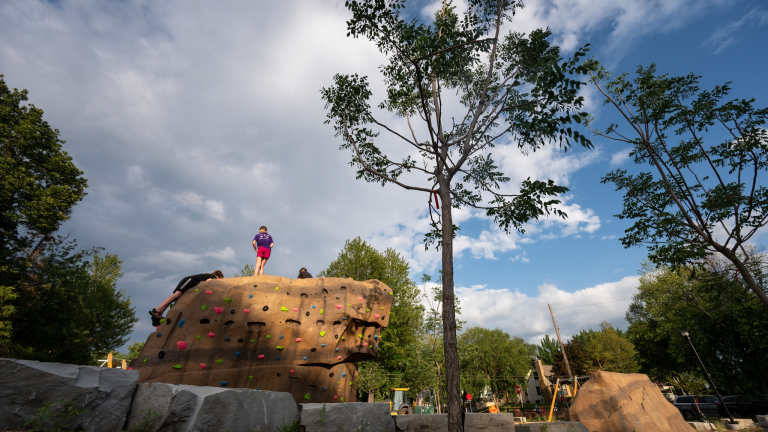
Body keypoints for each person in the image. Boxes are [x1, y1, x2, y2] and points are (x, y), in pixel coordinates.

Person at [149, 270, 223, 326]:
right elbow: (208, 282)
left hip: (189, 284)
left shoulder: (209, 276)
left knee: (176, 298)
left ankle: (159, 314)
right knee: (177, 294)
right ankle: (157, 310)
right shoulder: (212, 277)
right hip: (188, 281)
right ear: (218, 276)